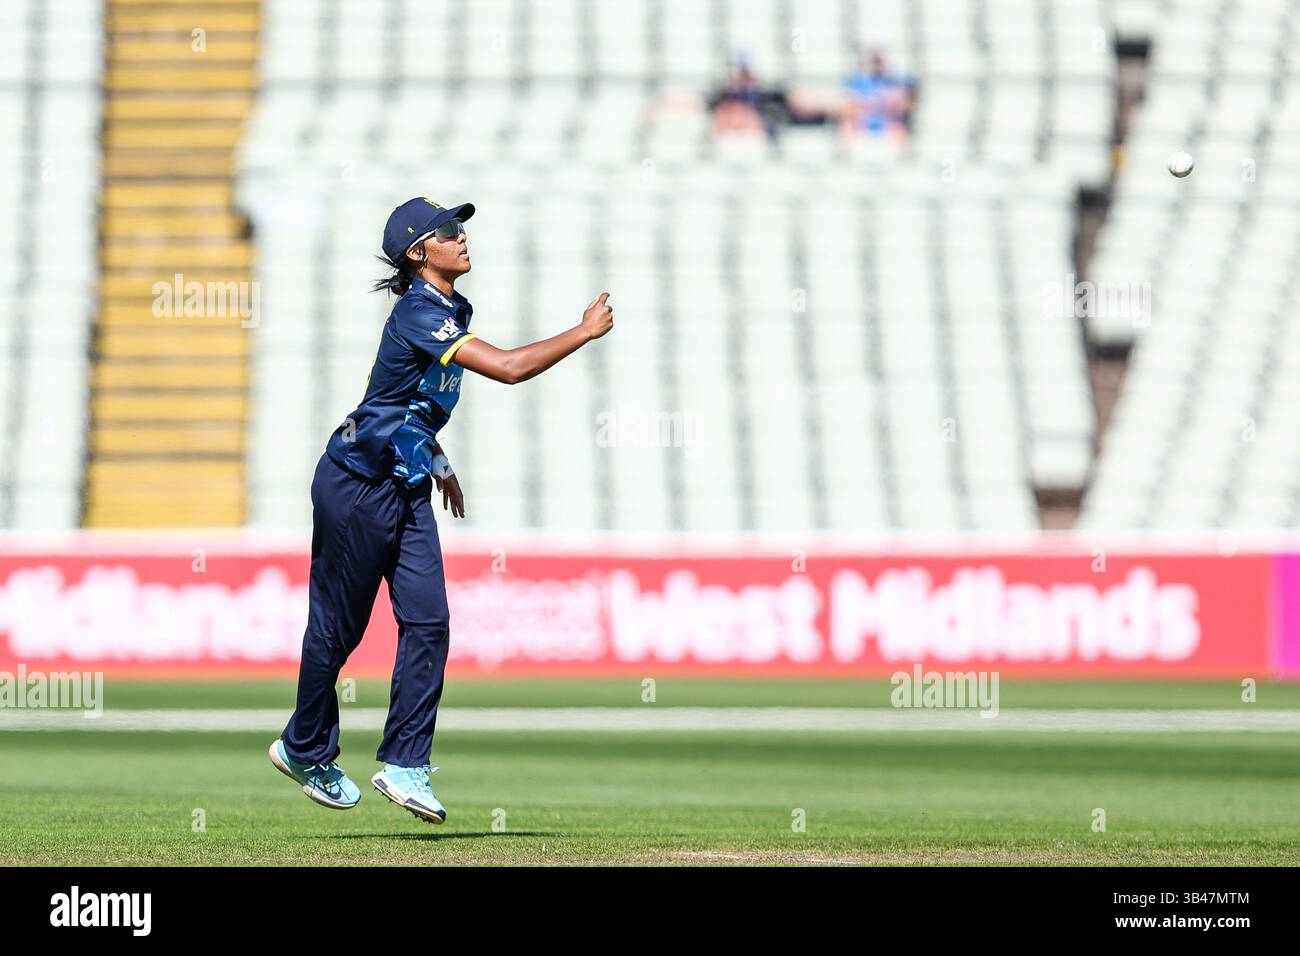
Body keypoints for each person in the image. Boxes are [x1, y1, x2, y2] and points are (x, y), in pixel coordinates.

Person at [268, 197, 615, 823]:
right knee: (338, 632)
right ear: (418, 251)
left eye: (461, 228)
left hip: (406, 483)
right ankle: (304, 748)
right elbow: (508, 369)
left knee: (428, 622)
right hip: (355, 484)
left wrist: (437, 458)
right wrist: (582, 331)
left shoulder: (450, 308)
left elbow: (410, 401)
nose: (462, 237)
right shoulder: (418, 312)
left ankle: (404, 765)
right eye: (448, 231)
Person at [841, 49, 915, 141]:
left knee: (900, 130)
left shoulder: (893, 81)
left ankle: (902, 154)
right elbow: (850, 104)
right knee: (848, 128)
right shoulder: (857, 81)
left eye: (878, 62)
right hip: (863, 121)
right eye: (874, 62)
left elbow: (903, 103)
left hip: (887, 120)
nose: (876, 66)